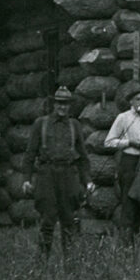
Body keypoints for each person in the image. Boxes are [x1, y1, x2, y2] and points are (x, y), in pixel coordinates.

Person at [20, 85, 94, 255]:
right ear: (54, 104)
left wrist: (88, 181)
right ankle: (42, 266)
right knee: (47, 220)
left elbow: (83, 157)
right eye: (59, 103)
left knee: (69, 221)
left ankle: (69, 267)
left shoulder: (74, 125)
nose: (62, 107)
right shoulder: (41, 124)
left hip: (68, 175)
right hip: (47, 175)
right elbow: (30, 154)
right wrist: (26, 179)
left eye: (66, 104)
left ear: (70, 106)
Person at [104, 83, 140, 239]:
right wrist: (128, 142)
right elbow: (109, 142)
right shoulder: (123, 118)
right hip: (129, 163)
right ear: (131, 102)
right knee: (129, 203)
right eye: (138, 99)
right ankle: (126, 246)